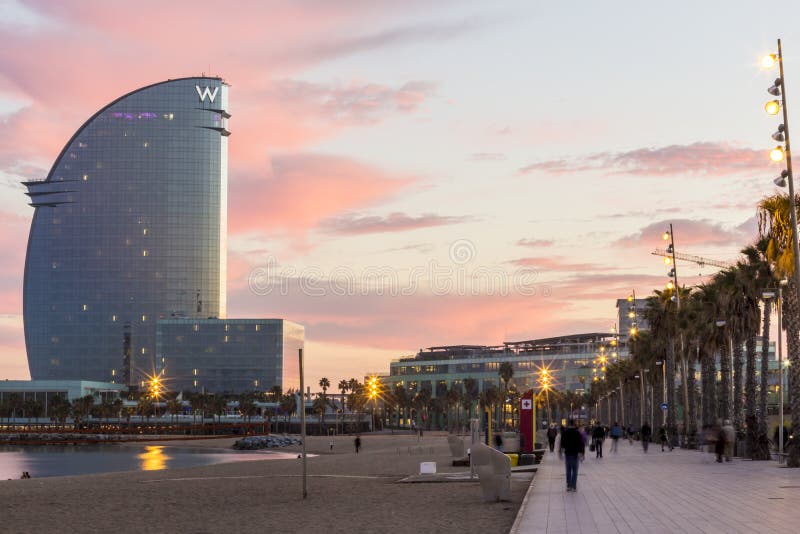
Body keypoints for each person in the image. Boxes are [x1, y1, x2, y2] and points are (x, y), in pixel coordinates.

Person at [559, 419, 585, 492]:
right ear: (574, 424)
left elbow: (562, 443)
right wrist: (582, 453)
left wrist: (561, 451)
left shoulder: (565, 432)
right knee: (575, 470)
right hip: (575, 454)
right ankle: (574, 486)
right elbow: (581, 444)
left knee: (568, 470)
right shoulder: (577, 433)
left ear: (569, 424)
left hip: (567, 453)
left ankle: (568, 486)